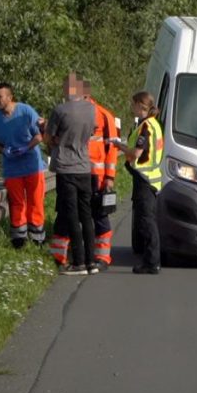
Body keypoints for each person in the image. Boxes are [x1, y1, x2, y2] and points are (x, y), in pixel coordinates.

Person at [45, 73, 97, 276]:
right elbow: (90, 133)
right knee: (87, 215)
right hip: (84, 167)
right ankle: (91, 261)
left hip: (66, 167)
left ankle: (79, 262)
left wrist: (55, 140)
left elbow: (48, 137)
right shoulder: (91, 109)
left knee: (72, 215)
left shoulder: (60, 110)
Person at [0, 82, 47, 249]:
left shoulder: (25, 111)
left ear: (10, 97)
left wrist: (26, 147)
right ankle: (19, 240)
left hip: (32, 165)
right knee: (17, 203)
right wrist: (4, 150)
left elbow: (40, 135)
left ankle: (37, 239)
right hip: (12, 168)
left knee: (35, 201)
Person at [112, 91, 162, 275]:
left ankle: (151, 262)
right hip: (149, 178)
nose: (131, 107)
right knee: (147, 221)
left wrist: (119, 146)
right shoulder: (153, 124)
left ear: (141, 106)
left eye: (133, 104)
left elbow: (136, 154)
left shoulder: (146, 127)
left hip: (144, 179)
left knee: (146, 222)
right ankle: (151, 261)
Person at [84, 80, 118, 271]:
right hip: (77, 173)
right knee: (80, 215)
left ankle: (102, 256)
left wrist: (110, 177)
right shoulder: (71, 113)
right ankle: (84, 254)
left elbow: (112, 149)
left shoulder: (104, 116)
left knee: (99, 216)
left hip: (97, 175)